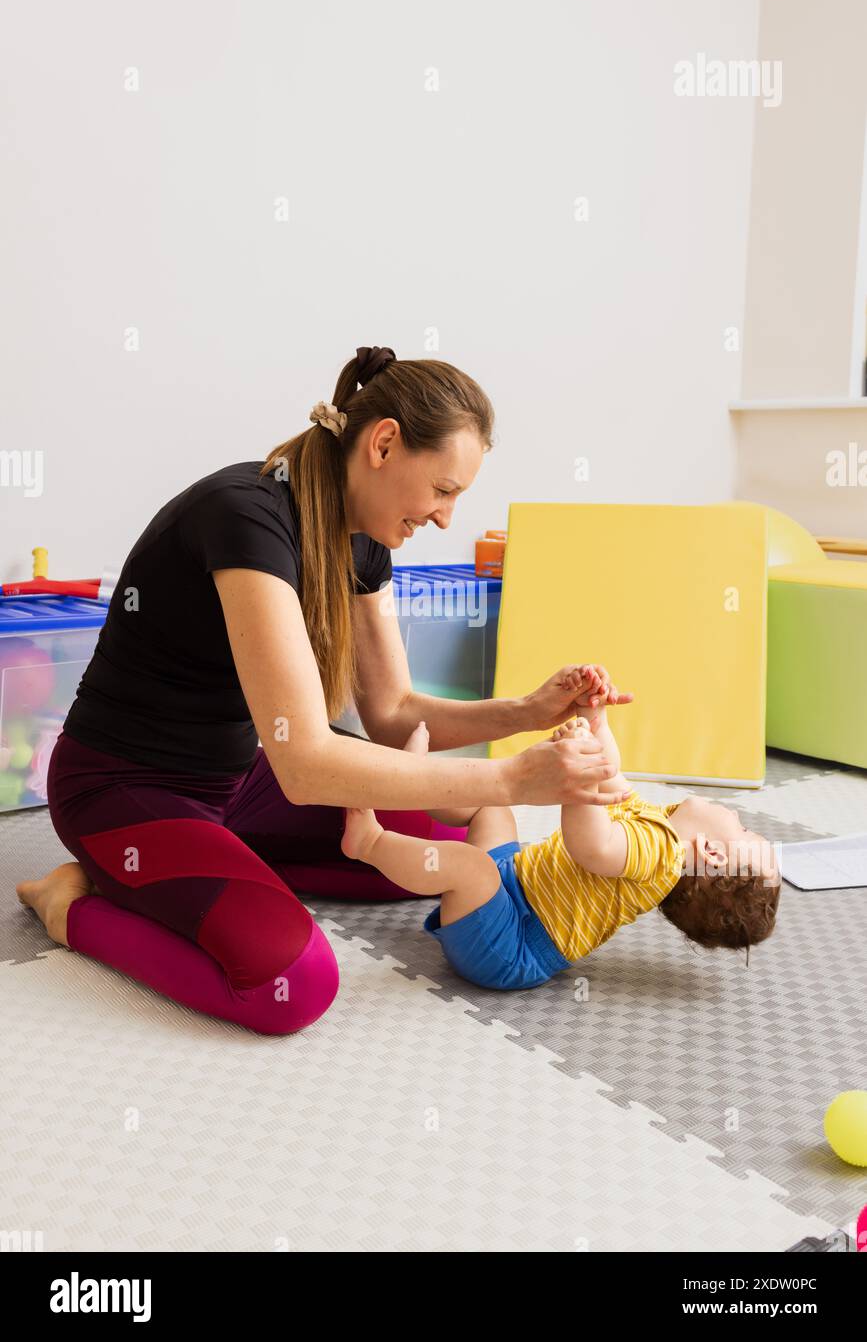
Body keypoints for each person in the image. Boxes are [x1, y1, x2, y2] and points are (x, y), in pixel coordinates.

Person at [17, 347, 632, 1034]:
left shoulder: (365, 539)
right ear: (385, 443)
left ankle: (202, 863)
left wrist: (526, 711)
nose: (444, 518)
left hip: (238, 781)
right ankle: (70, 904)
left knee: (428, 845)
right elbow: (306, 763)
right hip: (124, 789)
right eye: (443, 490)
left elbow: (395, 715)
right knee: (292, 984)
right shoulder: (244, 516)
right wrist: (514, 778)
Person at [341, 664, 782, 991]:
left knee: (470, 867)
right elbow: (612, 775)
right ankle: (417, 785)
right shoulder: (658, 825)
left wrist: (575, 775)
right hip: (513, 886)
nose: (738, 818)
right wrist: (595, 720)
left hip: (509, 946)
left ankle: (371, 841)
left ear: (713, 854)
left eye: (743, 829)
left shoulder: (661, 856)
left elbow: (589, 844)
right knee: (493, 809)